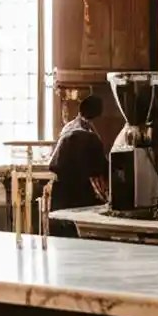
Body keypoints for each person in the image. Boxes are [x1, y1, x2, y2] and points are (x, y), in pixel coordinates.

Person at [47, 96, 109, 236]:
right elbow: (100, 172)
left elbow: (54, 164)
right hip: (81, 194)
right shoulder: (90, 136)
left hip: (61, 192)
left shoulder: (68, 128)